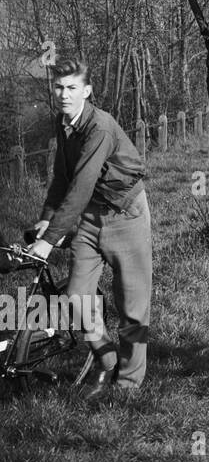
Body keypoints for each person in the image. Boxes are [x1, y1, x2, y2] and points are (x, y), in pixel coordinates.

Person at [26, 57, 152, 398]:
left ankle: (128, 384)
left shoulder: (100, 127)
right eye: (58, 88)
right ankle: (107, 356)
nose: (64, 95)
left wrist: (50, 241)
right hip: (90, 217)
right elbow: (62, 177)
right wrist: (47, 217)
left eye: (71, 88)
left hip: (126, 216)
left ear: (87, 91)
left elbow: (81, 185)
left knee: (133, 308)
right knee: (75, 297)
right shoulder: (63, 122)